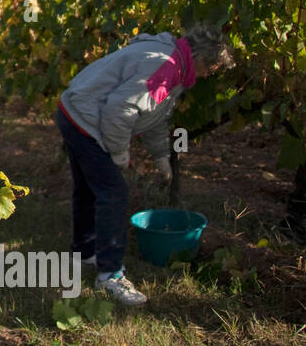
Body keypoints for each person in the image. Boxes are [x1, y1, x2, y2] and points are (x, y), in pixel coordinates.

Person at [56, 23, 235, 306]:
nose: (208, 76)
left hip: (74, 109)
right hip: (87, 118)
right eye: (211, 70)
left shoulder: (171, 59)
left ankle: (85, 252)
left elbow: (153, 116)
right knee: (113, 193)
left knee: (90, 189)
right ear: (201, 59)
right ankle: (110, 275)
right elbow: (121, 108)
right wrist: (118, 152)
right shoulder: (167, 67)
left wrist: (161, 156)